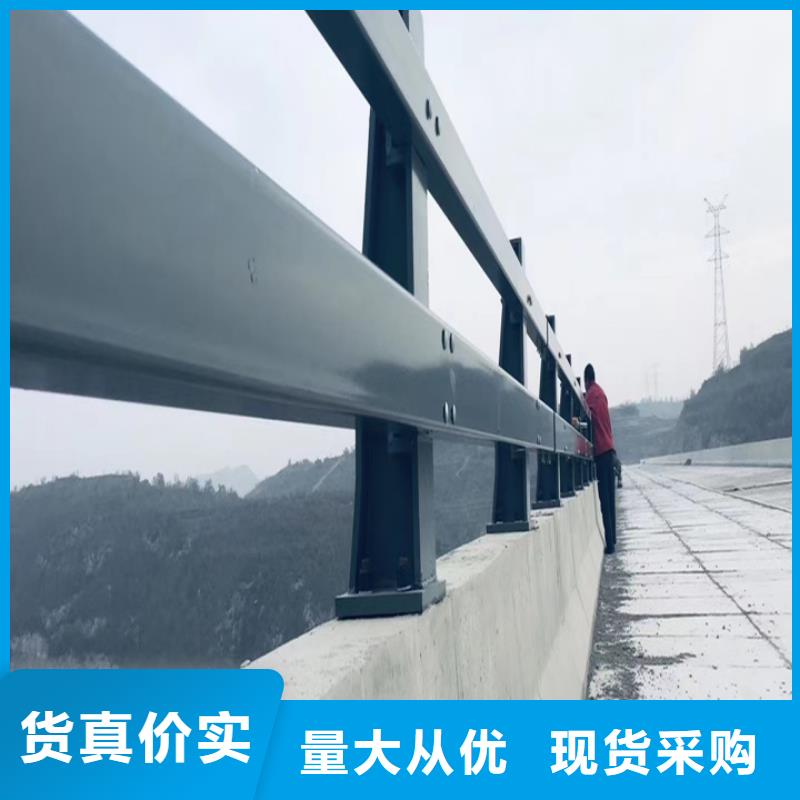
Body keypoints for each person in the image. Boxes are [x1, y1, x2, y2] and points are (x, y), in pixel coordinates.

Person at [582, 364, 617, 555]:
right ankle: (614, 539)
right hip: (610, 450)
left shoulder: (590, 396)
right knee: (611, 498)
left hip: (601, 452)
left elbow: (587, 418)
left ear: (586, 380)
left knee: (604, 501)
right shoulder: (601, 393)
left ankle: (609, 544)